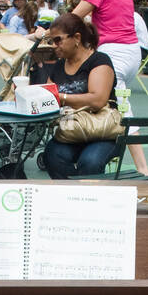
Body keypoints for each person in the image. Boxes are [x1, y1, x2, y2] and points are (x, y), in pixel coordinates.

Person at [74, 0, 148, 178]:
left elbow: (73, 18)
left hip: (112, 52)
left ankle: (141, 167)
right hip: (131, 52)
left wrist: (45, 32)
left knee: (122, 107)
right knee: (117, 101)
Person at [39, 14, 121, 179]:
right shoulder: (59, 66)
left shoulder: (99, 60)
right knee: (52, 156)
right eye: (52, 41)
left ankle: (83, 198)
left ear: (77, 37)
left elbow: (97, 100)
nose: (54, 46)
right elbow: (47, 97)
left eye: (58, 40)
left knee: (90, 162)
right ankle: (71, 195)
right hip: (71, 131)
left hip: (102, 133)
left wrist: (61, 97)